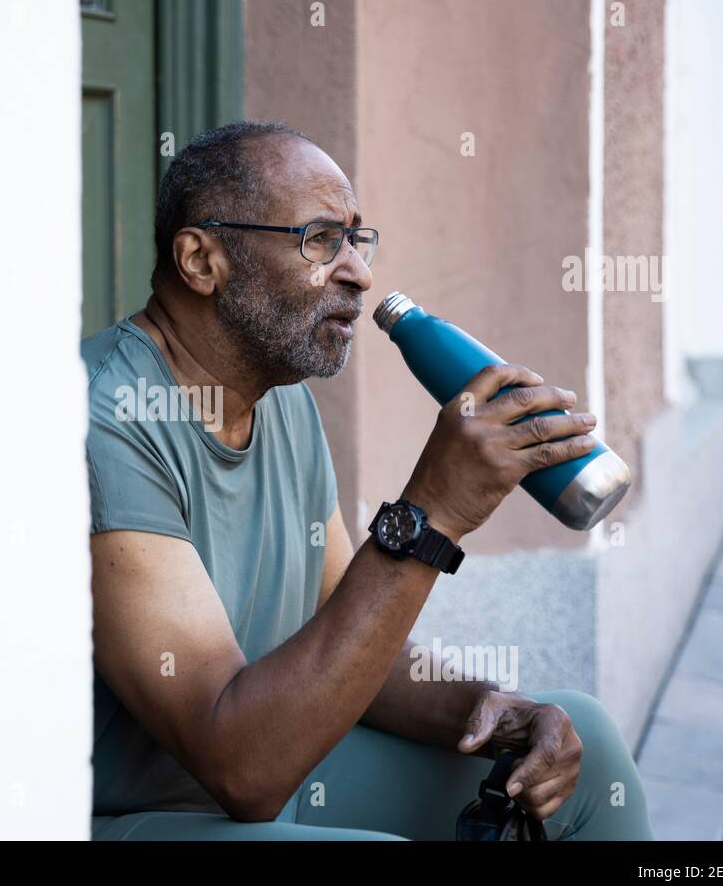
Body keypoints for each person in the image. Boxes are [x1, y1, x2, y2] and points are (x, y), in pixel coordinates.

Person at [83, 121, 654, 840]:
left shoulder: (278, 396)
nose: (358, 271)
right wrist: (430, 515)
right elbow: (241, 771)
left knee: (585, 743)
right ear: (202, 260)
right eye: (321, 239)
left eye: (356, 239)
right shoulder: (106, 420)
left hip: (283, 760)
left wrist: (490, 707)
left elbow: (349, 646)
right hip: (140, 814)